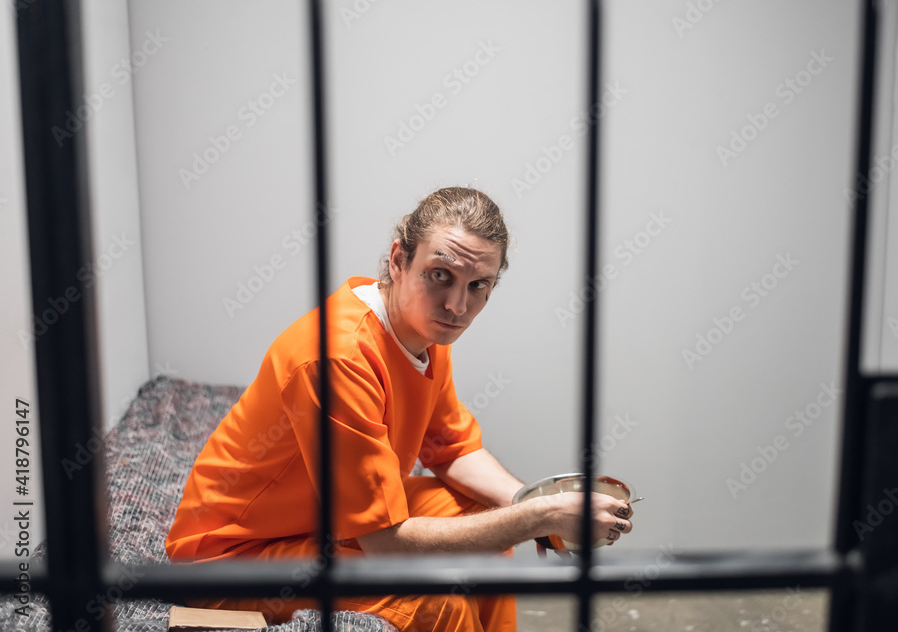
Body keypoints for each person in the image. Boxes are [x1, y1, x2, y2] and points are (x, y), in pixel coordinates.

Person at [165, 187, 635, 631]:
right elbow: (386, 543)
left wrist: (538, 504)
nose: (457, 305)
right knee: (439, 598)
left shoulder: (423, 331)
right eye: (440, 275)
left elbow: (451, 450)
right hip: (231, 558)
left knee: (480, 515)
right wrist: (540, 518)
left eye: (478, 286)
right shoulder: (336, 358)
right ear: (397, 261)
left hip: (324, 520)